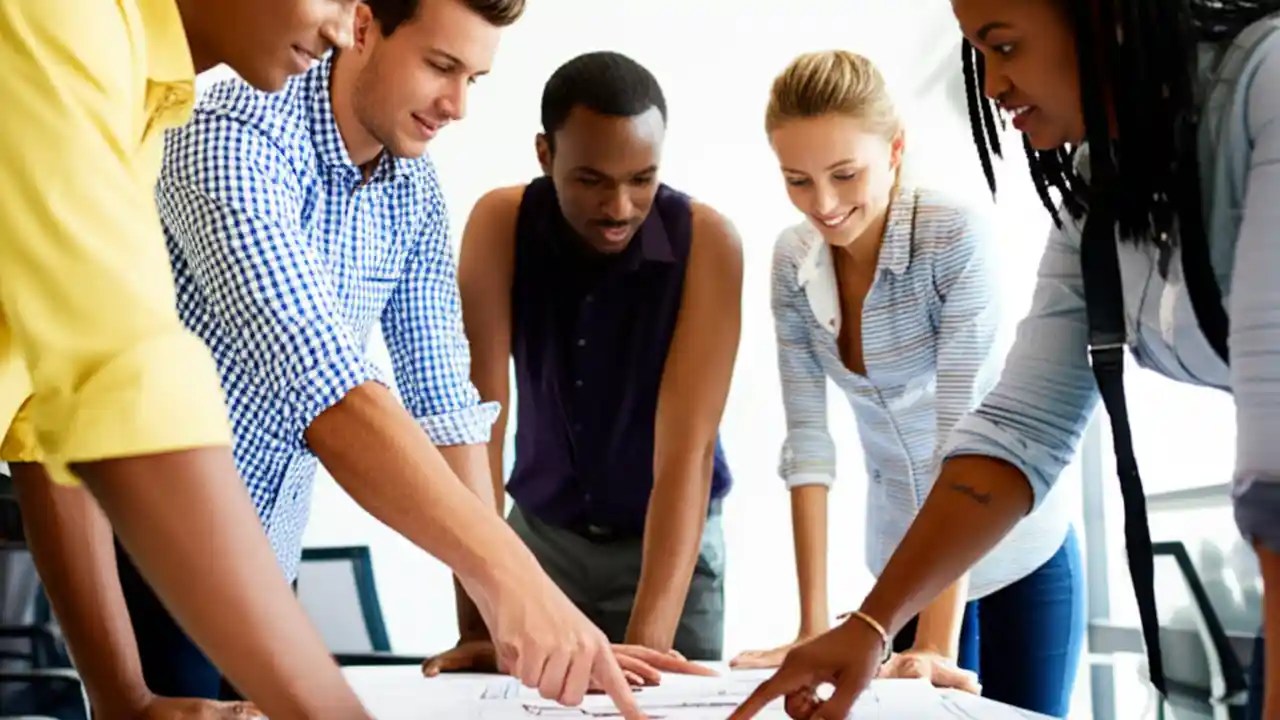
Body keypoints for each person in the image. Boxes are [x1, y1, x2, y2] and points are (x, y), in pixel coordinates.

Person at [729, 1, 1280, 719]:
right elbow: (1021, 426)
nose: (991, 86)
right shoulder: (1097, 182)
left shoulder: (1265, 86)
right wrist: (868, 625)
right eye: (978, 55)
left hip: (1036, 560)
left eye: (1005, 45)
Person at [149, 2, 691, 716]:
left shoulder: (414, 192)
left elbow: (447, 408)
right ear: (364, 26)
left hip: (267, 562)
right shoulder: (231, 139)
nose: (457, 105)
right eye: (441, 66)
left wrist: (495, 622)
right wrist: (520, 587)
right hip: (157, 556)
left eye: (474, 78)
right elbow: (331, 394)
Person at [0, 1, 380, 718]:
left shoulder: (147, 95)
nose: (339, 31)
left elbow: (43, 410)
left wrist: (124, 699)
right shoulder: (65, 20)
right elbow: (120, 382)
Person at [728, 49, 1085, 716]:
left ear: (894, 149)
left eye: (844, 174)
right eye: (798, 180)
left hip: (1017, 548)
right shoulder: (790, 262)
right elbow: (808, 444)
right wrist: (811, 625)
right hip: (906, 560)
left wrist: (938, 647)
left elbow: (964, 435)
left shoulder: (952, 236)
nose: (824, 205)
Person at [426, 50, 742, 670]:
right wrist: (480, 620)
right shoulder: (502, 223)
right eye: (592, 180)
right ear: (546, 155)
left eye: (642, 179)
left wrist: (648, 649)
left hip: (669, 552)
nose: (620, 207)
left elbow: (687, 455)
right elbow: (475, 428)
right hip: (538, 546)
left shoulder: (707, 242)